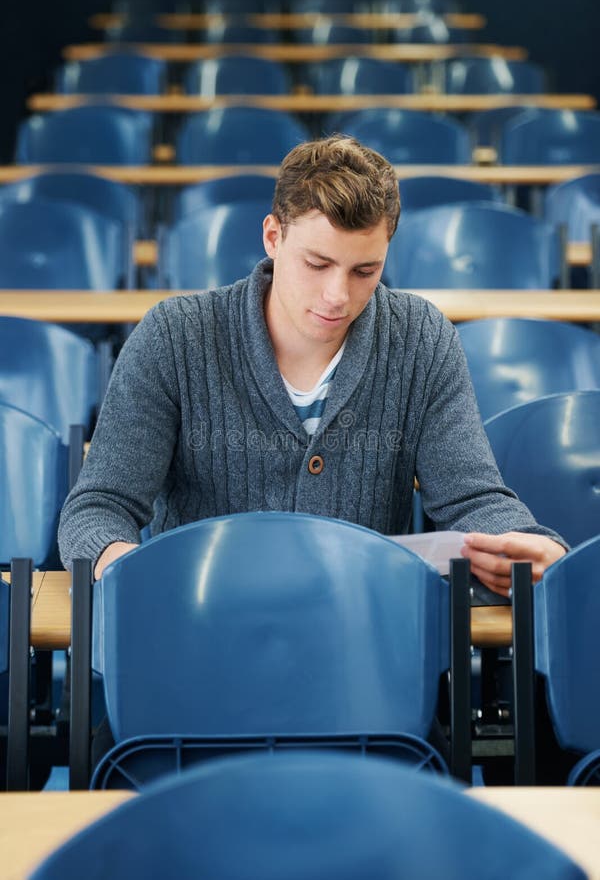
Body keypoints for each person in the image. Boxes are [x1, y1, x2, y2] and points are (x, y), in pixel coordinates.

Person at [58, 135, 566, 590]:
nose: (337, 296)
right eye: (317, 264)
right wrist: (122, 563)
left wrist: (525, 544)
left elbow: (471, 498)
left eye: (366, 271)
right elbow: (98, 508)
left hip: (357, 633)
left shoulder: (421, 338)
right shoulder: (174, 337)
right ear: (273, 237)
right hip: (202, 625)